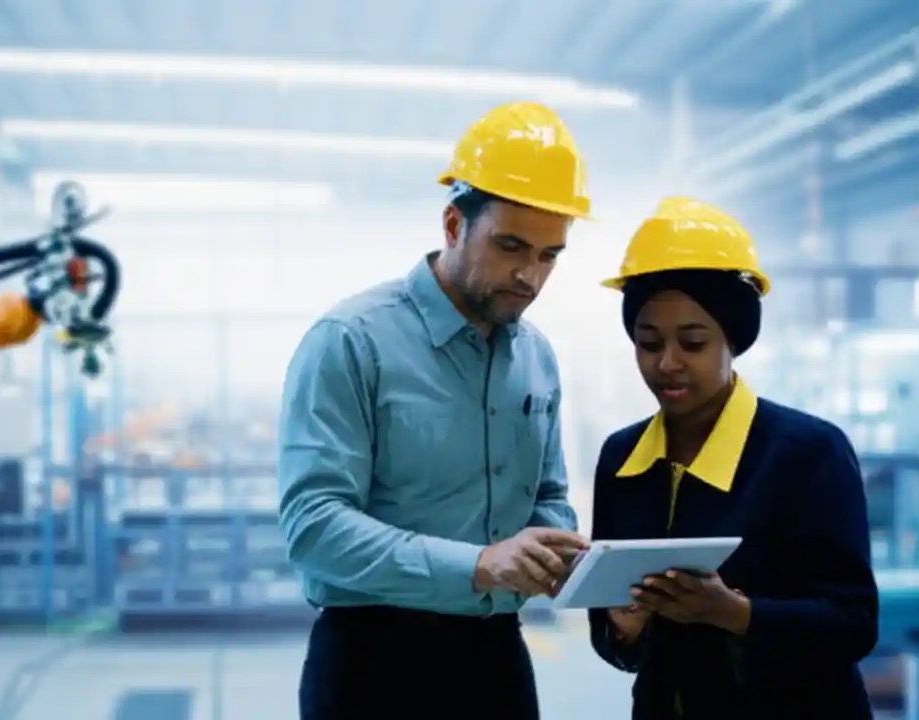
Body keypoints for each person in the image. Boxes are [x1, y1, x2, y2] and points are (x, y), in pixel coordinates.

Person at [276, 101, 593, 720]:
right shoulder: (351, 341)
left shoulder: (536, 356)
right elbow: (313, 525)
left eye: (549, 255)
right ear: (453, 225)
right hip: (372, 664)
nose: (529, 275)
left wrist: (548, 545)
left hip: (495, 659)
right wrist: (475, 564)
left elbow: (547, 493)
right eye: (510, 246)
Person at [587, 197, 880, 718]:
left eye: (693, 343)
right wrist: (624, 632)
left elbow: (853, 621)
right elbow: (613, 639)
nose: (667, 364)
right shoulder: (623, 459)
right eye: (648, 342)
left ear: (734, 340)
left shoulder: (809, 453)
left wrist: (736, 613)